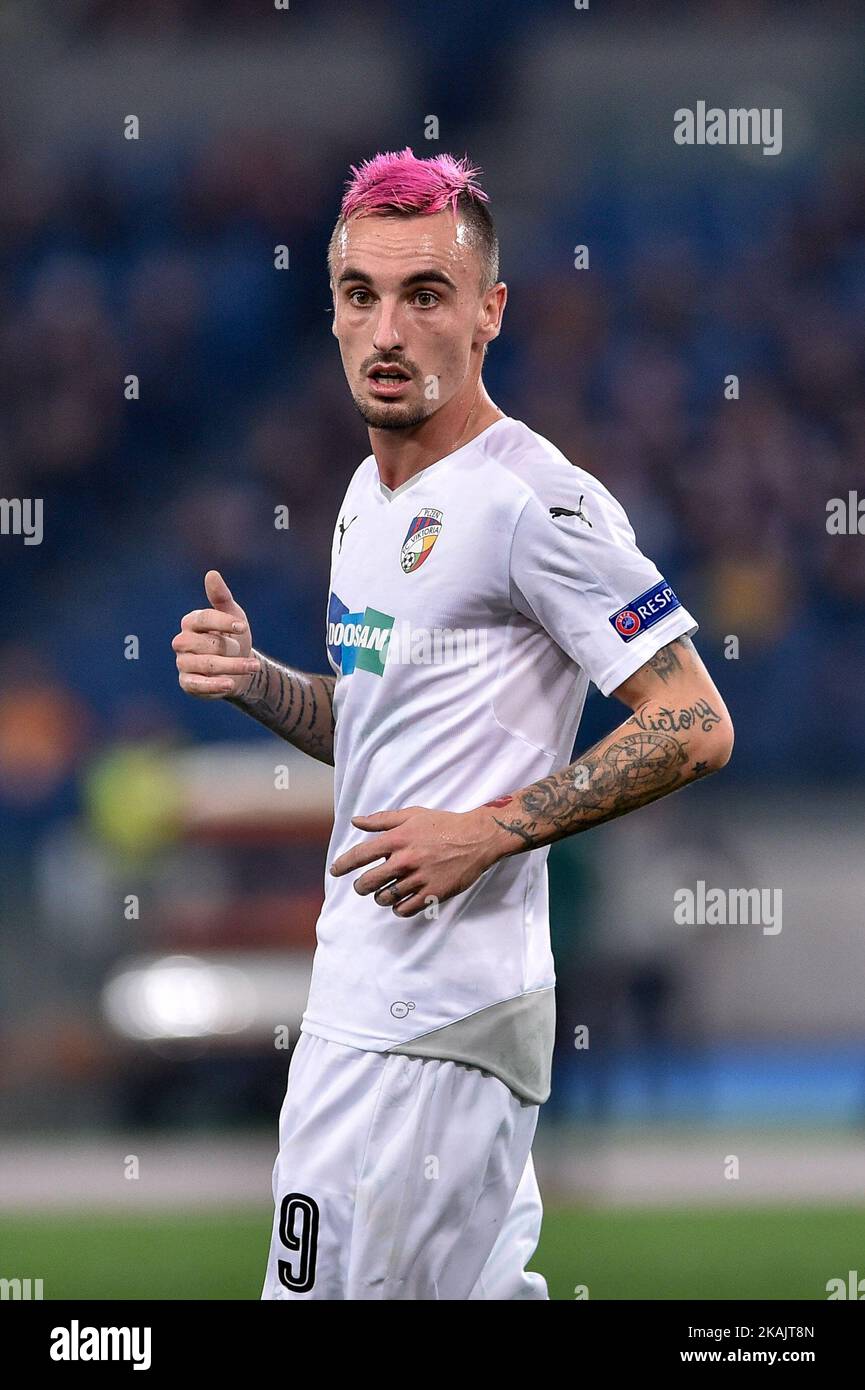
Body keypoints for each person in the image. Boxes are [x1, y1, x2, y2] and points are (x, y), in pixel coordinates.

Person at [171, 147, 734, 1300]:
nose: (387, 328)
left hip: (429, 1023)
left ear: (488, 313)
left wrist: (487, 831)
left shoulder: (535, 499)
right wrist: (260, 683)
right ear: (329, 312)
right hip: (377, 1003)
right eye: (359, 295)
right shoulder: (367, 495)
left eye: (424, 295)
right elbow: (379, 731)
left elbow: (693, 720)